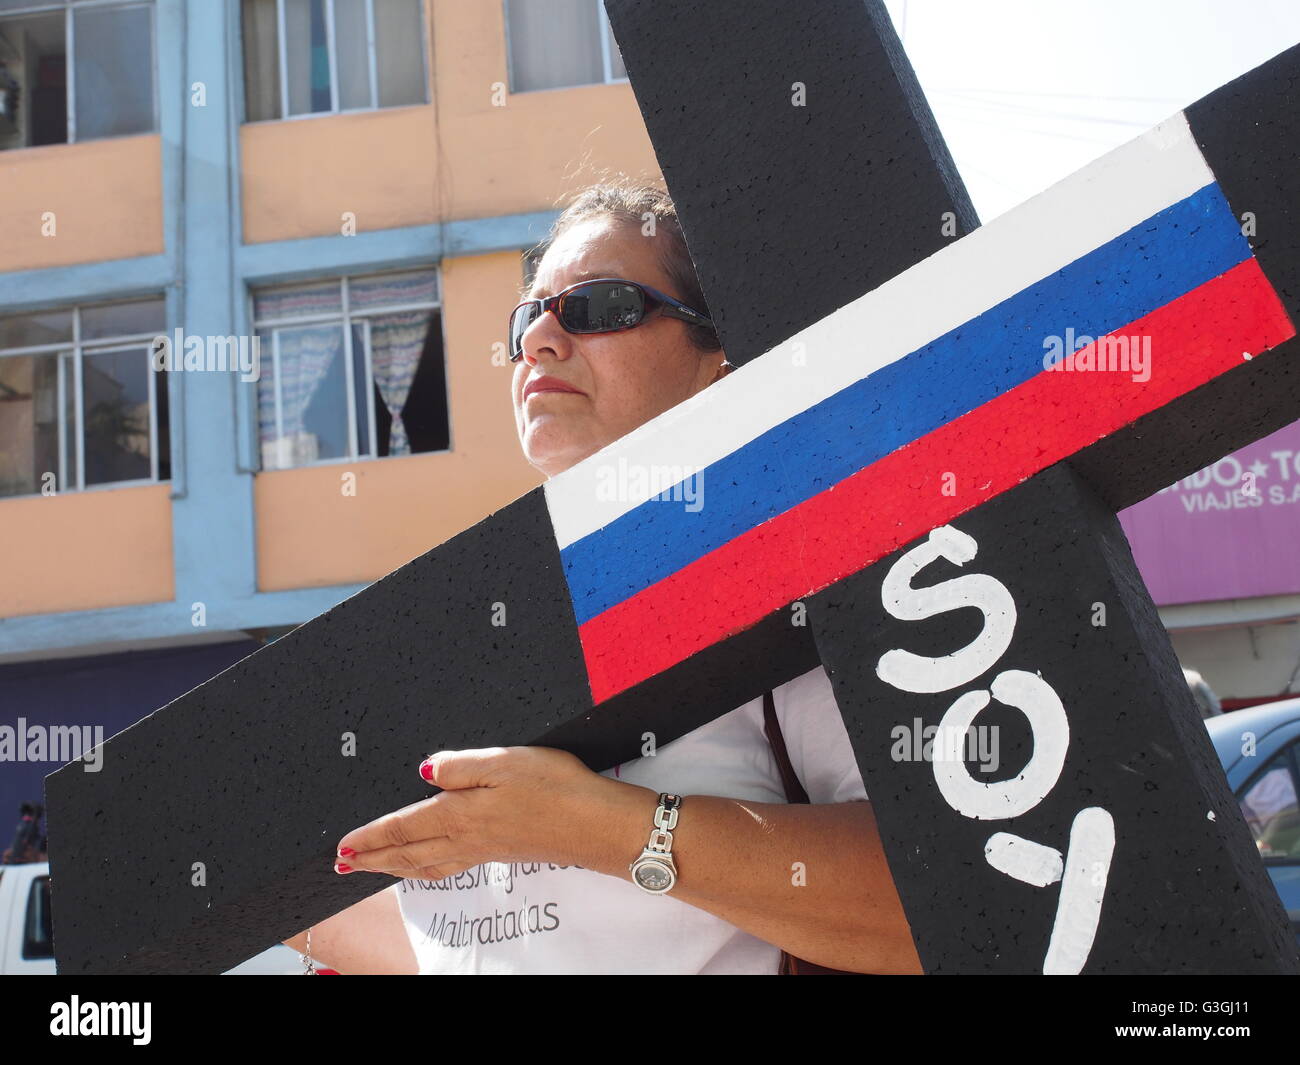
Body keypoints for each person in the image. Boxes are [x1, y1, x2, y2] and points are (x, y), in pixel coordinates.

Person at [283, 181, 921, 975]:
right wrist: (245, 884)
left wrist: (597, 826)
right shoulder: (469, 634)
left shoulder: (785, 587)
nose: (540, 341)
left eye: (597, 305)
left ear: (716, 358)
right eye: (529, 316)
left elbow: (937, 891)